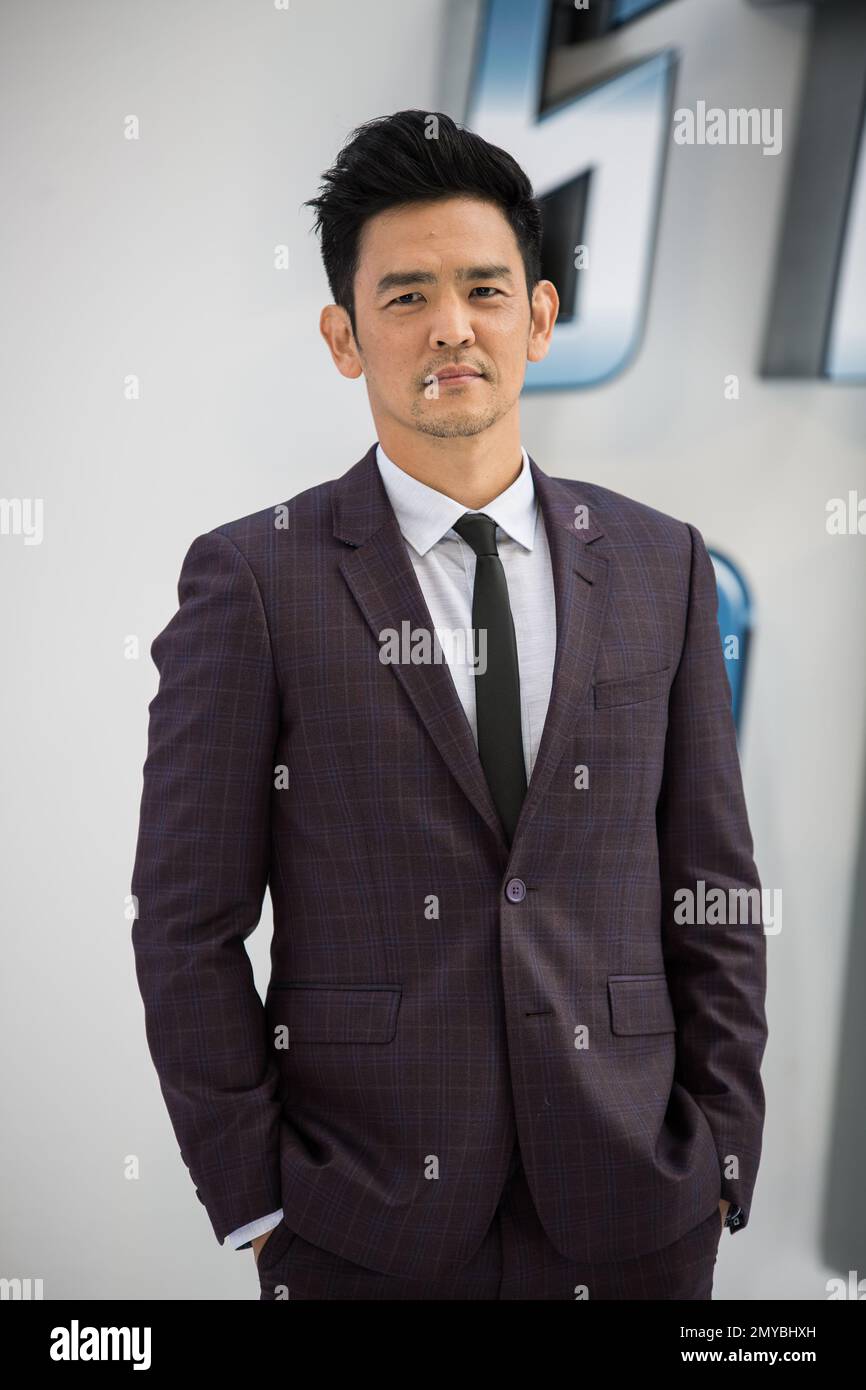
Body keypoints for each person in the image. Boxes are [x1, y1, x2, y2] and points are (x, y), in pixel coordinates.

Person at [131, 110, 767, 1300]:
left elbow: (712, 883)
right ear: (343, 335)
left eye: (482, 288)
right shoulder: (254, 578)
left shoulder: (659, 562)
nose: (450, 326)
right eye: (405, 295)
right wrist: (256, 1200)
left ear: (536, 316)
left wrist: (720, 1152)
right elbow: (185, 924)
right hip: (358, 1222)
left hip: (638, 1209)